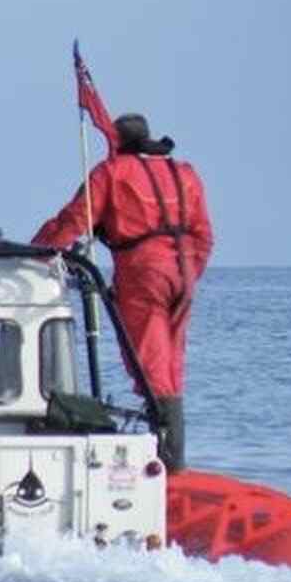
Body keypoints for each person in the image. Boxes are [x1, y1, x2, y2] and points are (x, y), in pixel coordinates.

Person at [31, 113, 214, 473]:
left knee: (150, 363)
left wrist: (37, 251)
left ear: (117, 141)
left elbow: (74, 221)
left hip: (143, 271)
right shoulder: (186, 174)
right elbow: (204, 234)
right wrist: (190, 272)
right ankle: (174, 454)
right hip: (185, 272)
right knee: (173, 364)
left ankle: (168, 462)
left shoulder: (111, 173)